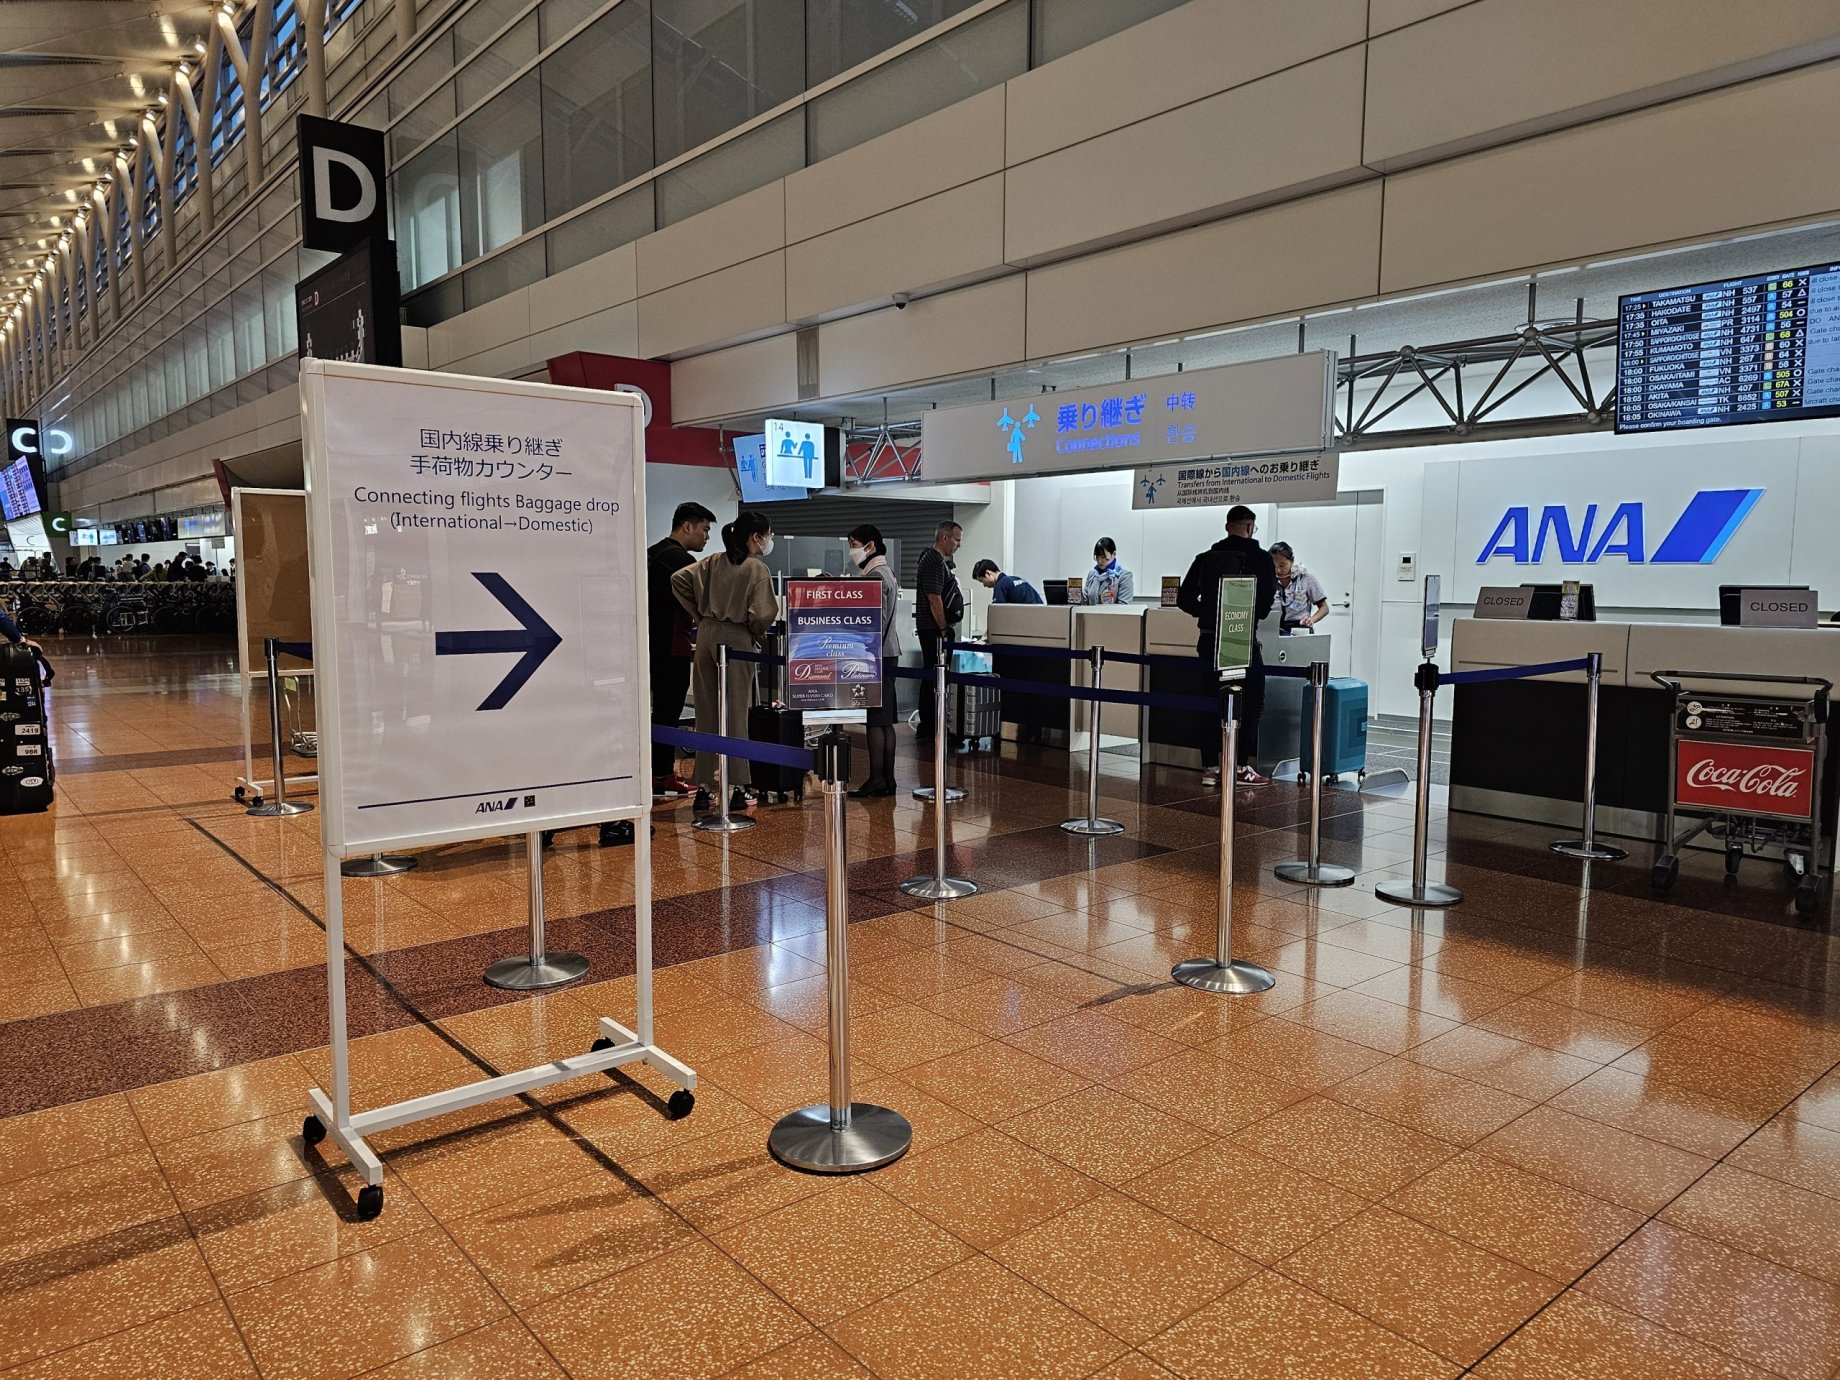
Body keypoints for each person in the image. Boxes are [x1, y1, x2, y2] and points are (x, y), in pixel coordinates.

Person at [672, 511, 777, 814]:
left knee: (706, 710)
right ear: (755, 537)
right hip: (737, 638)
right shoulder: (755, 568)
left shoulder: (712, 561)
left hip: (706, 635)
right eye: (767, 535)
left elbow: (678, 579)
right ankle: (739, 786)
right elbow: (763, 613)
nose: (769, 541)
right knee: (736, 712)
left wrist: (699, 615)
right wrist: (752, 633)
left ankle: (704, 786)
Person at [1178, 504, 1277, 787]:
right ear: (1250, 527)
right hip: (1241, 640)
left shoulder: (1205, 558)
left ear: (1227, 526)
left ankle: (1209, 767)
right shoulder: (1260, 558)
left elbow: (1184, 599)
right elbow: (1265, 606)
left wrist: (1207, 612)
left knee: (1210, 701)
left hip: (1208, 639)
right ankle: (1240, 766)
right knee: (1252, 701)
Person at [647, 501, 716, 799]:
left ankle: (654, 773)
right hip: (670, 646)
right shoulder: (681, 561)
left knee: (655, 712)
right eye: (704, 529)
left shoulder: (652, 553)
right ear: (687, 526)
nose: (707, 536)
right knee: (668, 710)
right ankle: (662, 775)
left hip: (647, 644)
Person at [847, 524, 902, 797]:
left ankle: (877, 779)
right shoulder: (886, 571)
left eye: (854, 544)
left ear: (870, 545)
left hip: (874, 655)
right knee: (885, 720)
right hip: (889, 652)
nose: (852, 550)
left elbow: (874, 622)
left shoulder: (875, 576)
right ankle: (887, 779)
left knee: (874, 720)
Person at [914, 520, 964, 743]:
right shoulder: (933, 562)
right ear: (945, 538)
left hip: (932, 629)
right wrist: (944, 629)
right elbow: (934, 598)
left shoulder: (934, 560)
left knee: (934, 678)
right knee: (935, 678)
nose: (958, 545)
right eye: (957, 539)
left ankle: (932, 726)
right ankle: (931, 727)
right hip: (934, 630)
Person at [1270, 542, 1329, 633]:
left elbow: (1324, 608)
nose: (1278, 570)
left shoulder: (1306, 579)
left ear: (1292, 561)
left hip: (1300, 628)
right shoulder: (1267, 581)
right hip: (1273, 629)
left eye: (1282, 565)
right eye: (1274, 566)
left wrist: (1312, 619)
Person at [1082, 538, 1135, 606]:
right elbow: (1085, 602)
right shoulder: (1092, 574)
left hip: (1111, 616)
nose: (1099, 561)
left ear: (1114, 554)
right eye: (1097, 557)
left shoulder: (1124, 576)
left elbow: (1124, 606)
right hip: (1089, 616)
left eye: (1103, 557)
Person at [972, 559, 1042, 605]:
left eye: (982, 581)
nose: (984, 585)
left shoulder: (1000, 585)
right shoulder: (1015, 579)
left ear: (988, 573)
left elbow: (998, 613)